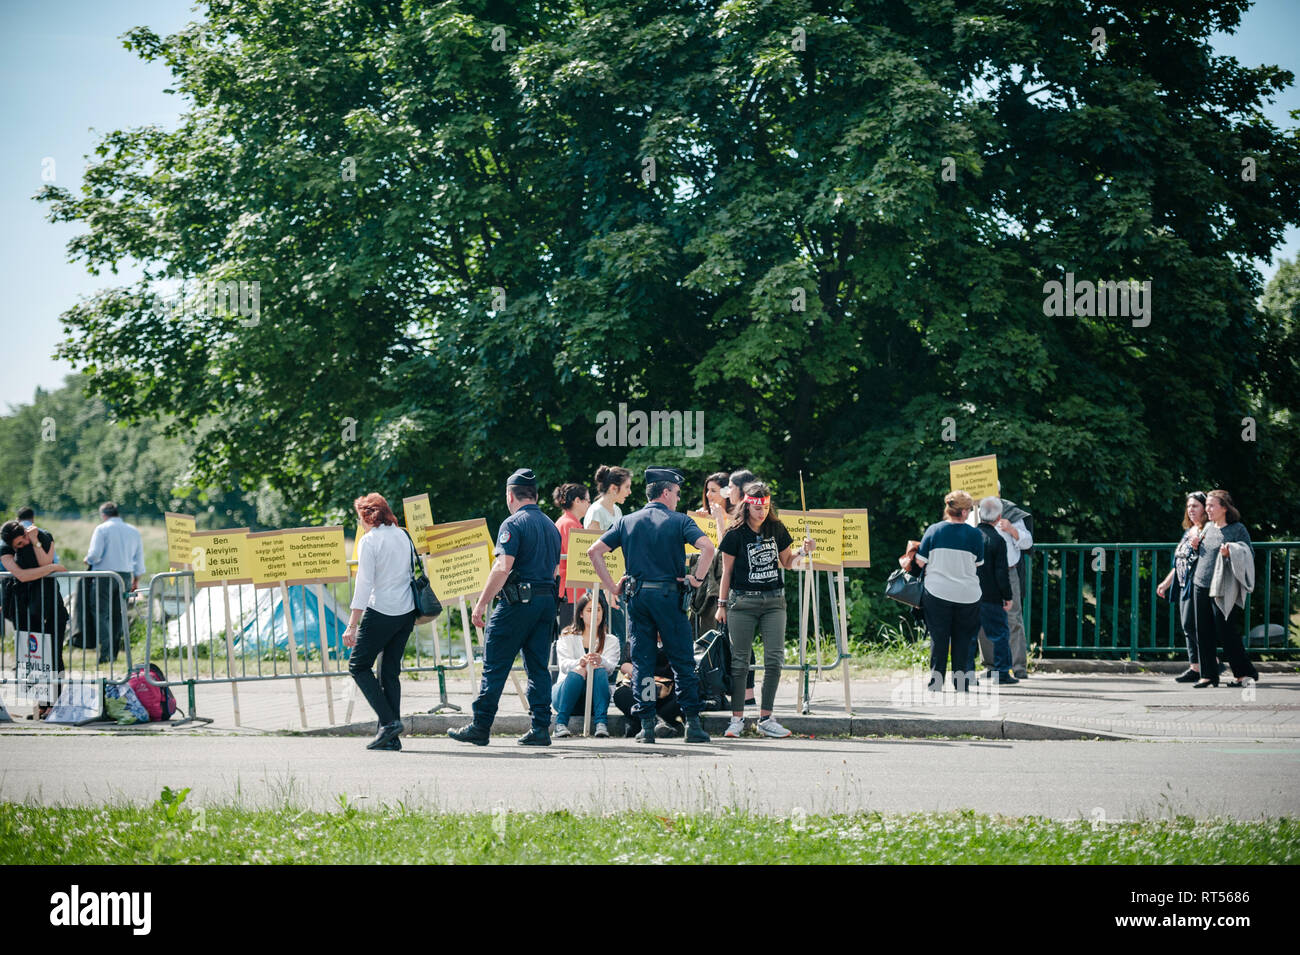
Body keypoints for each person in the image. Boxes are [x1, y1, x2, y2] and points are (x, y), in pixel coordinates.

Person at [587, 466, 716, 743]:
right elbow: (708, 548)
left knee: (642, 664)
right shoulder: (680, 521)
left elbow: (593, 550)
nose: (679, 499)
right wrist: (697, 579)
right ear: (666, 492)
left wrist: (612, 587)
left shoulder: (627, 521)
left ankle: (646, 726)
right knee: (682, 661)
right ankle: (692, 725)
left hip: (638, 598)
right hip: (670, 597)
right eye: (677, 493)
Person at [451, 468, 562, 745]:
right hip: (546, 601)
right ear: (534, 495)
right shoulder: (550, 525)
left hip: (517, 603)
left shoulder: (512, 524)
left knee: (495, 665)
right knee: (538, 667)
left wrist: (481, 604)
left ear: (511, 495)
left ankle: (481, 725)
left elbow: (502, 567)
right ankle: (540, 728)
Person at [715, 481, 814, 738]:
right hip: (742, 602)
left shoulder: (776, 528)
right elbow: (726, 572)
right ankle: (737, 718)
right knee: (740, 662)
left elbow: (788, 563)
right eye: (756, 507)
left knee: (774, 660)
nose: (761, 512)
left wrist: (803, 550)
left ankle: (766, 717)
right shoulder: (734, 532)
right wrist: (721, 605)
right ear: (747, 505)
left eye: (765, 507)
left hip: (773, 602)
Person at [342, 493, 418, 751]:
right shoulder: (403, 535)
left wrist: (352, 624)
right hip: (406, 611)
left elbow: (363, 585)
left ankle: (388, 723)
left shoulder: (369, 541)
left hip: (381, 610)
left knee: (358, 665)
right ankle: (391, 737)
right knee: (389, 672)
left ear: (367, 516)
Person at [915, 491, 984, 691]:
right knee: (963, 638)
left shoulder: (934, 531)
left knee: (939, 637)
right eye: (970, 510)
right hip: (968, 595)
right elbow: (978, 563)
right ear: (963, 512)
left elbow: (920, 562)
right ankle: (960, 683)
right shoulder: (975, 534)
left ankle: (936, 683)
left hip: (937, 593)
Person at [1191, 490, 1260, 689]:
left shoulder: (1237, 529)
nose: (1208, 509)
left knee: (1226, 630)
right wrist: (1196, 546)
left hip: (1222, 586)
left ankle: (1245, 673)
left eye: (1212, 505)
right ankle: (1208, 675)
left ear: (1224, 508)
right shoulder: (1207, 527)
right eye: (1208, 505)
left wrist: (1231, 552)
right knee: (1202, 631)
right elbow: (1203, 555)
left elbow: (1249, 553)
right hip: (1200, 583)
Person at [1, 519, 70, 716]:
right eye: (18, 547)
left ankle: (54, 704)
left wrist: (36, 542)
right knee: (36, 657)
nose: (21, 547)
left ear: (25, 533)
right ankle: (42, 704)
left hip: (51, 605)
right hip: (25, 609)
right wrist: (52, 569)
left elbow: (45, 561)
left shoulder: (44, 536)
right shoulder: (4, 547)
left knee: (55, 655)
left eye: (22, 542)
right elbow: (21, 575)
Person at [1156, 492, 1210, 683]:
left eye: (1195, 506)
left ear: (1205, 508)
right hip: (1182, 583)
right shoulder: (1189, 531)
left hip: (1197, 583)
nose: (1191, 510)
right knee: (1188, 626)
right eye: (1189, 507)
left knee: (1193, 625)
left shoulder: (1207, 530)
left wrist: (1198, 547)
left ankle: (1209, 662)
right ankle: (1195, 667)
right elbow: (1179, 561)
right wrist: (1166, 583)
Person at [83, 502, 146, 663]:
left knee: (101, 613)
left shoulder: (102, 529)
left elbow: (95, 555)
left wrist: (88, 559)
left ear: (104, 515)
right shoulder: (133, 531)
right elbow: (139, 558)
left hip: (104, 575)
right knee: (119, 615)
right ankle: (114, 653)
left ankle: (105, 653)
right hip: (124, 576)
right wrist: (136, 579)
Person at [552, 591, 619, 737]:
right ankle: (560, 723)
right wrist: (580, 662)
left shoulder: (611, 640)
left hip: (596, 699)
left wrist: (601, 661)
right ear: (581, 614)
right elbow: (563, 664)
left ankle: (601, 724)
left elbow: (612, 667)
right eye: (589, 610)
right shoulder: (567, 636)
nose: (595, 614)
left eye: (599, 609)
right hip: (565, 695)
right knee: (580, 670)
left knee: (598, 668)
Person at [973, 497, 1016, 684]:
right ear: (999, 517)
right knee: (1000, 634)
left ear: (979, 514)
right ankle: (1002, 672)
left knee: (967, 634)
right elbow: (1001, 573)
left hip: (968, 593)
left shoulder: (970, 536)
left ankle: (965, 673)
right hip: (990, 596)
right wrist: (1007, 596)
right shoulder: (997, 540)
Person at [612, 629, 684, 737]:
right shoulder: (637, 638)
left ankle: (641, 724)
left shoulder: (676, 640)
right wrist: (640, 675)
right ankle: (656, 722)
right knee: (621, 693)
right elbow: (624, 664)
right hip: (642, 690)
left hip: (667, 693)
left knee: (685, 694)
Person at [994, 493, 1034, 679]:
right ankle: (992, 666)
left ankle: (1018, 666)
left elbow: (1027, 542)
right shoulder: (970, 512)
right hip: (982, 574)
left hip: (1009, 572)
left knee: (1013, 619)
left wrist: (1012, 530)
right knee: (983, 620)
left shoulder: (1010, 511)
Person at [688, 471, 731, 639]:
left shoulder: (736, 517)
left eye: (713, 490)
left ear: (726, 492)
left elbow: (724, 547)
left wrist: (720, 519)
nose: (708, 495)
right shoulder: (703, 516)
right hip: (706, 581)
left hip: (726, 578)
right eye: (707, 490)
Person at [553, 482, 591, 631]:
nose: (589, 504)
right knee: (569, 639)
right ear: (577, 501)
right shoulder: (569, 524)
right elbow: (577, 558)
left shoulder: (568, 523)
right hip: (570, 592)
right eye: (587, 500)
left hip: (570, 591)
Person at [584, 465, 632, 533]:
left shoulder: (617, 510)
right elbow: (593, 542)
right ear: (613, 488)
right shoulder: (596, 512)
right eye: (627, 487)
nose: (630, 492)